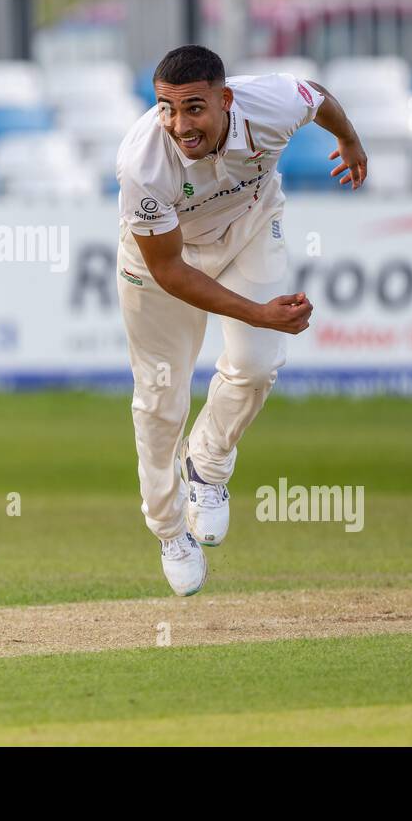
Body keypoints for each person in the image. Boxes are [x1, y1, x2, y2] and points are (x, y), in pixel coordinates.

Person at [115, 44, 367, 596]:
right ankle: (168, 530)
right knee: (160, 399)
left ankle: (206, 462)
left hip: (250, 227)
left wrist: (347, 138)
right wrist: (258, 312)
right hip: (162, 262)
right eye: (166, 108)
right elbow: (171, 271)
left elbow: (318, 97)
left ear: (226, 99)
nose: (180, 124)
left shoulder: (272, 102)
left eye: (194, 108)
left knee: (257, 363)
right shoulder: (142, 163)